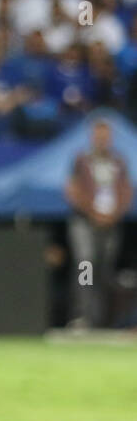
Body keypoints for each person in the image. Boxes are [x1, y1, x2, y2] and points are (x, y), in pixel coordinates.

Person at [64, 119, 132, 328]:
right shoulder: (81, 160)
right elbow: (72, 189)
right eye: (98, 135)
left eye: (106, 136)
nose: (102, 140)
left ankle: (100, 319)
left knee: (104, 270)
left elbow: (126, 191)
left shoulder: (119, 162)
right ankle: (82, 315)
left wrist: (114, 214)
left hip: (110, 223)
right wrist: (92, 212)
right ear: (92, 137)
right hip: (85, 222)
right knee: (86, 264)